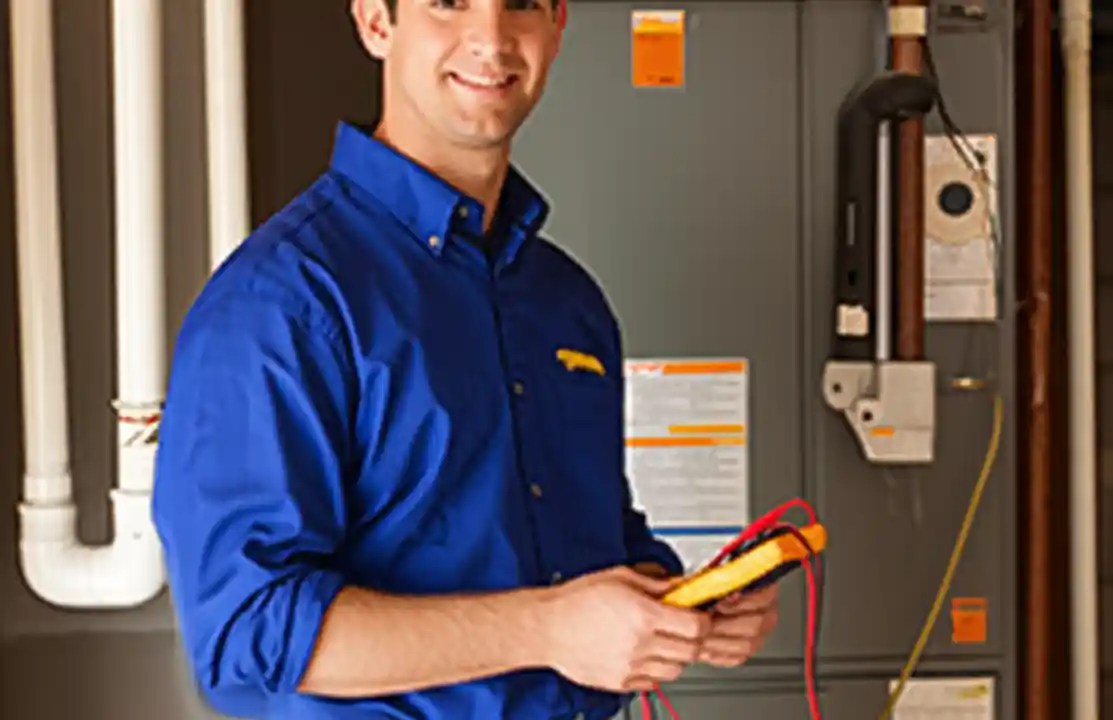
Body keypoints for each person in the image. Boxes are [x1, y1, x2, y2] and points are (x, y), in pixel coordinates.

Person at [151, 0, 781, 718]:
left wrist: (683, 605)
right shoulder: (283, 301)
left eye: (521, 5)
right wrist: (549, 629)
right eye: (449, 3)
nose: (490, 38)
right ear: (375, 22)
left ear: (557, 26)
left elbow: (587, 555)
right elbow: (246, 628)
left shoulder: (566, 302)